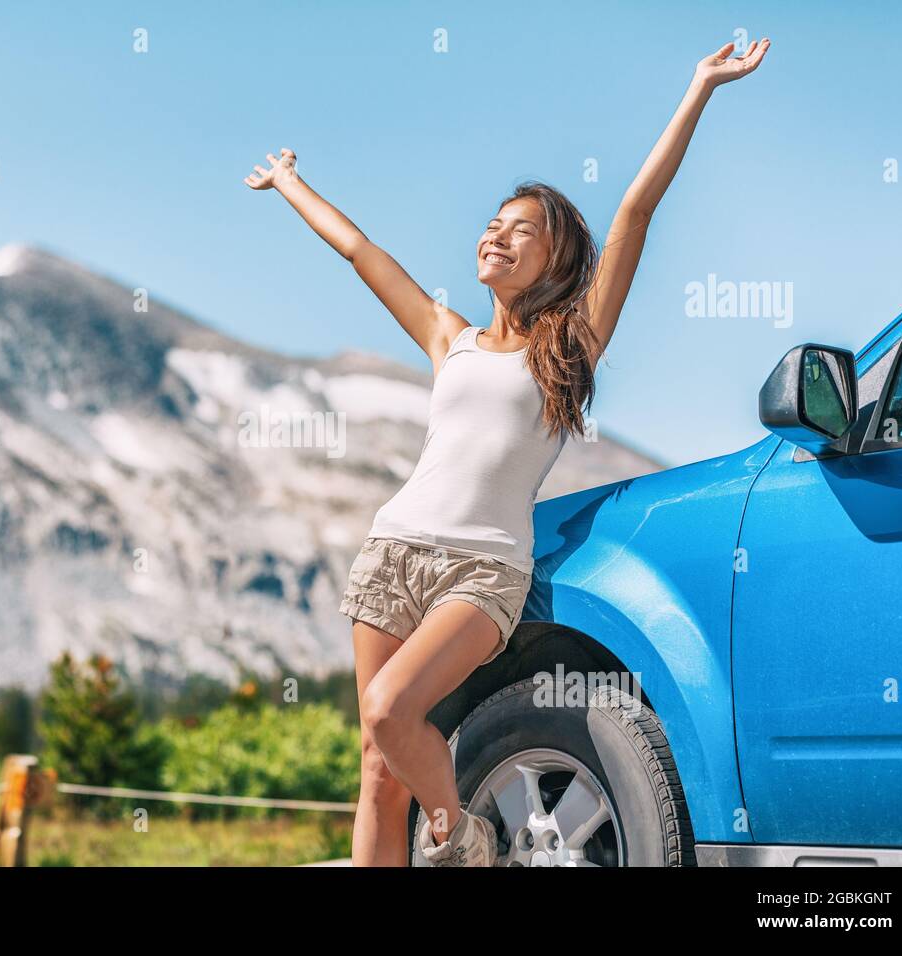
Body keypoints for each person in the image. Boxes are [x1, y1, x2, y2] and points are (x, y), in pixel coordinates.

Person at [244, 38, 771, 866]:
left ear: (555, 260)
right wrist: (289, 185)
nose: (497, 234)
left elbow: (635, 210)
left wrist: (699, 89)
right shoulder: (447, 336)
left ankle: (462, 835)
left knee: (391, 710)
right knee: (378, 772)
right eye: (494, 223)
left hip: (481, 571)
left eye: (521, 230)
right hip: (391, 556)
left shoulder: (570, 348)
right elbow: (359, 252)